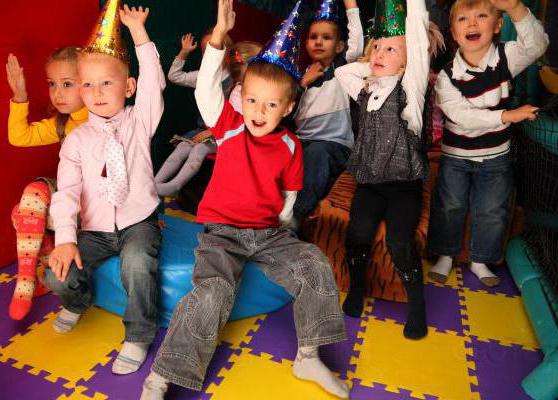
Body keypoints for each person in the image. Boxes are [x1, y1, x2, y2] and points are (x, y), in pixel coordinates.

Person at [141, 1, 349, 398]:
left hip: (269, 233)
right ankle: (164, 374)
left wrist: (285, 222)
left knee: (314, 264)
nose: (259, 111)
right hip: (222, 232)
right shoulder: (230, 127)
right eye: (252, 100)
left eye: (271, 104)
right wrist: (218, 37)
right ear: (241, 96)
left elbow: (290, 195)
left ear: (288, 107)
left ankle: (308, 356)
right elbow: (204, 88)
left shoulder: (290, 145)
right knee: (213, 291)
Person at [45, 1, 166, 375]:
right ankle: (78, 302)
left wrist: (139, 34)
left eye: (107, 83)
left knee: (137, 262)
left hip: (137, 221)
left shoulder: (140, 119)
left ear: (128, 88)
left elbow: (152, 80)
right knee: (54, 274)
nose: (96, 92)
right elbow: (65, 192)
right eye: (87, 84)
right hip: (94, 229)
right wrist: (65, 237)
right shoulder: (77, 140)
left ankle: (139, 333)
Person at [335, 0, 442, 339]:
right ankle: (356, 289)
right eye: (377, 46)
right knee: (358, 234)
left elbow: (418, 45)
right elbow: (342, 71)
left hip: (402, 187)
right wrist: (374, 60)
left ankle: (417, 306)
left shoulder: (411, 93)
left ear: (410, 61)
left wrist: (410, 20)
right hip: (369, 183)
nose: (380, 52)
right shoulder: (366, 87)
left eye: (391, 48)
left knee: (399, 243)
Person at [427, 0, 549, 286]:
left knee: (492, 208)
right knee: (450, 205)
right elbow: (462, 116)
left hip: (496, 155)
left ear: (496, 27)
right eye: (464, 19)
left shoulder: (506, 58)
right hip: (456, 155)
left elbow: (537, 45)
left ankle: (480, 259)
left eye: (481, 16)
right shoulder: (447, 76)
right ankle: (445, 255)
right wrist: (508, 115)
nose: (472, 23)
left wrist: (516, 8)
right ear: (454, 33)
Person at [6, 48, 88, 320]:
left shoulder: (103, 116)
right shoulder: (62, 123)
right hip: (69, 202)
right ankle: (27, 281)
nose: (57, 93)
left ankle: (34, 276)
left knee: (23, 213)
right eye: (52, 84)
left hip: (96, 207)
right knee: (28, 202)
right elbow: (20, 137)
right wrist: (20, 96)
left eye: (67, 84)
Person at [153, 41, 262, 197]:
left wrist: (212, 132)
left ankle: (175, 186)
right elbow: (175, 76)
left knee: (199, 148)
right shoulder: (236, 87)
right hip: (217, 132)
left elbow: (240, 124)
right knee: (183, 146)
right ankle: (154, 184)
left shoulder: (253, 91)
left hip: (233, 138)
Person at [290, 0, 363, 228]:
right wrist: (303, 83)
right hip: (302, 141)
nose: (318, 41)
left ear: (340, 46)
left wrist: (351, 6)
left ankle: (295, 216)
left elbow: (357, 44)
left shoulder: (342, 70)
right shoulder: (299, 76)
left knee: (317, 153)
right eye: (313, 37)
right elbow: (286, 110)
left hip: (334, 144)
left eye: (326, 37)